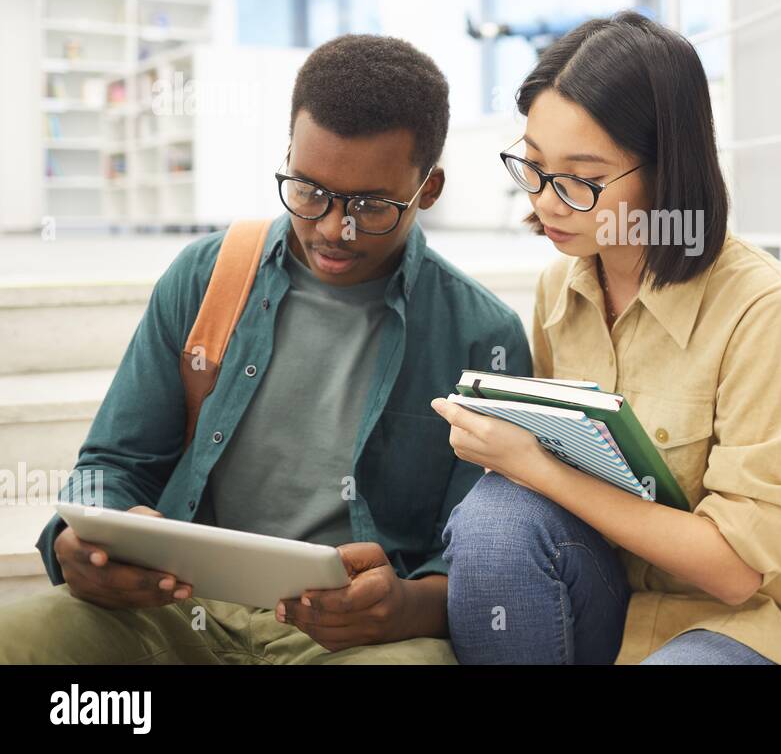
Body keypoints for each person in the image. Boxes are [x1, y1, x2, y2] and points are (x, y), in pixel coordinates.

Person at [0, 34, 530, 664]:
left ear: (430, 188)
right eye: (309, 190)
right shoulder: (207, 277)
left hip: (350, 643)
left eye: (371, 205)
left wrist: (407, 607)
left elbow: (477, 556)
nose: (334, 228)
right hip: (177, 612)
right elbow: (111, 464)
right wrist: (77, 542)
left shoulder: (481, 336)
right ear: (288, 155)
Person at [432, 10, 781, 664]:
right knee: (495, 522)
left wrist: (535, 467)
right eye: (533, 168)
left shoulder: (762, 310)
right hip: (607, 604)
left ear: (666, 169)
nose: (546, 201)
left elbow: (735, 569)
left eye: (579, 180)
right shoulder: (559, 290)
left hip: (740, 626)